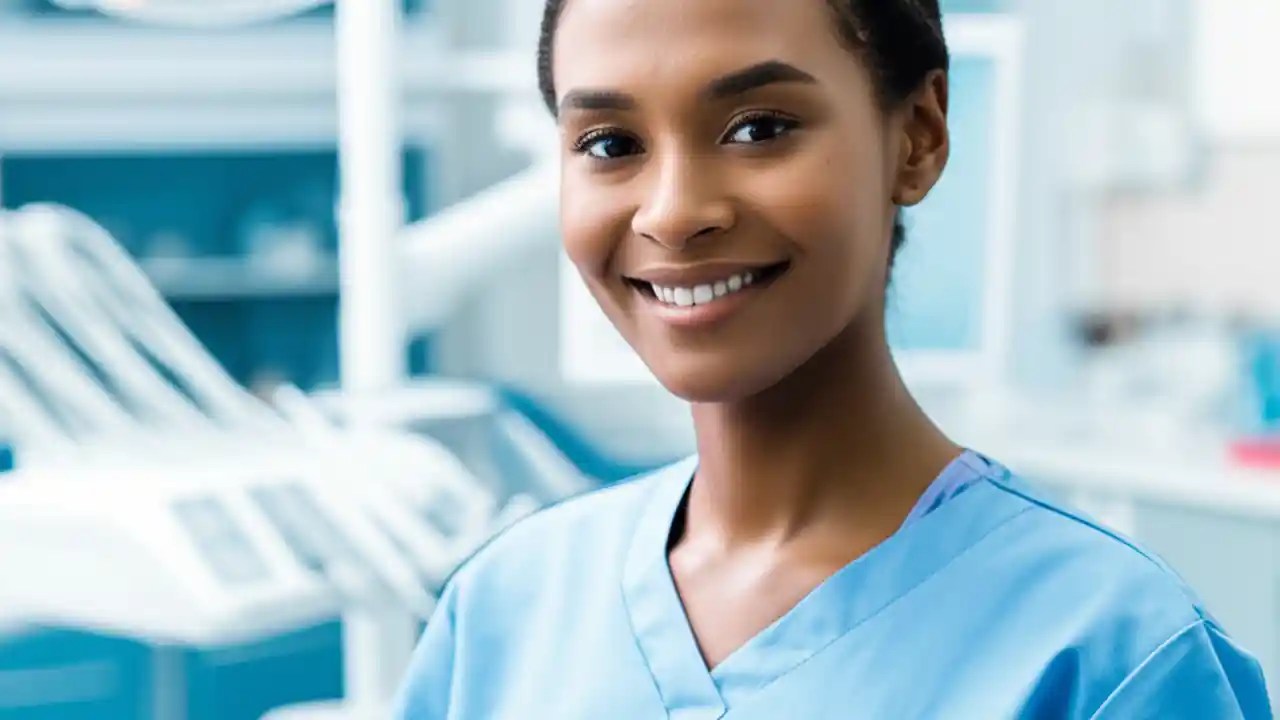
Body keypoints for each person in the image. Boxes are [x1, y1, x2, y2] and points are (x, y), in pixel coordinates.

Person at [395, 0, 1272, 717]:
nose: (672, 213)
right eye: (611, 145)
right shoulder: (506, 613)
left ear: (919, 136)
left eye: (758, 127)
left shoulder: (1109, 655)